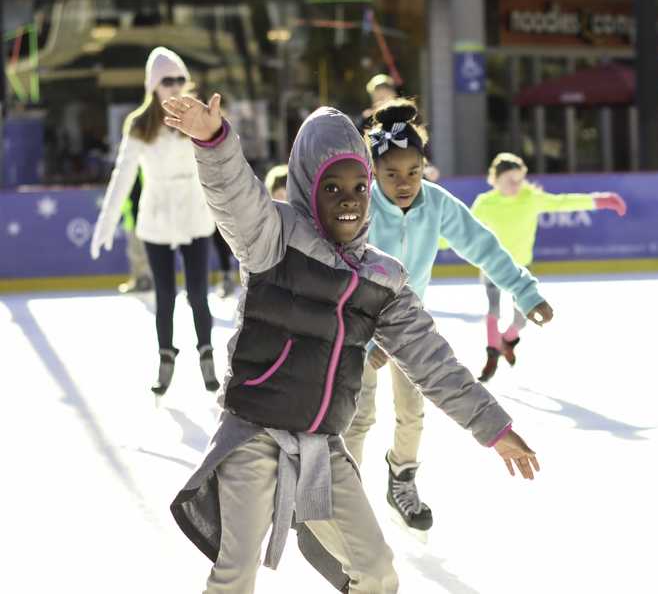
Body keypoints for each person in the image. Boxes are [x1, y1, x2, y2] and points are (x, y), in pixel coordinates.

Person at [163, 95, 541, 593]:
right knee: (235, 573)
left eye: (360, 187)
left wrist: (493, 426)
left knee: (378, 572)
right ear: (306, 188)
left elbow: (434, 363)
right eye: (332, 187)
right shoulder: (272, 239)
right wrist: (214, 143)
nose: (349, 199)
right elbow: (234, 195)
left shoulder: (381, 278)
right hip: (252, 436)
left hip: (320, 449)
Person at [344, 97, 553, 535]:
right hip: (357, 328)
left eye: (414, 173)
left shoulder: (436, 204)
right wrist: (362, 336)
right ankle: (343, 492)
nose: (404, 184)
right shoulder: (359, 205)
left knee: (412, 412)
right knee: (356, 416)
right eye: (392, 175)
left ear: (425, 168)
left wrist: (525, 292)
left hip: (408, 326)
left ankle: (401, 480)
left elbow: (485, 247)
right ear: (372, 172)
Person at [90, 47, 219, 395]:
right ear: (152, 85)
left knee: (198, 293)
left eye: (180, 79)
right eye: (167, 81)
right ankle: (166, 358)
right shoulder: (139, 124)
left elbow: (219, 160)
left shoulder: (198, 115)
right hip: (158, 214)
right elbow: (123, 175)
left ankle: (207, 354)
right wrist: (106, 223)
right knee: (165, 294)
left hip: (194, 210)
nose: (175, 87)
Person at [470, 152, 626, 381]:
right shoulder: (485, 202)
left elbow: (563, 202)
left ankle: (507, 341)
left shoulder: (530, 198)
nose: (515, 184)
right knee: (493, 309)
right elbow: (464, 229)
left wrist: (599, 200)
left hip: (521, 269)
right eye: (509, 180)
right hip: (492, 264)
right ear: (496, 179)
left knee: (521, 319)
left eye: (519, 179)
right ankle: (492, 355)